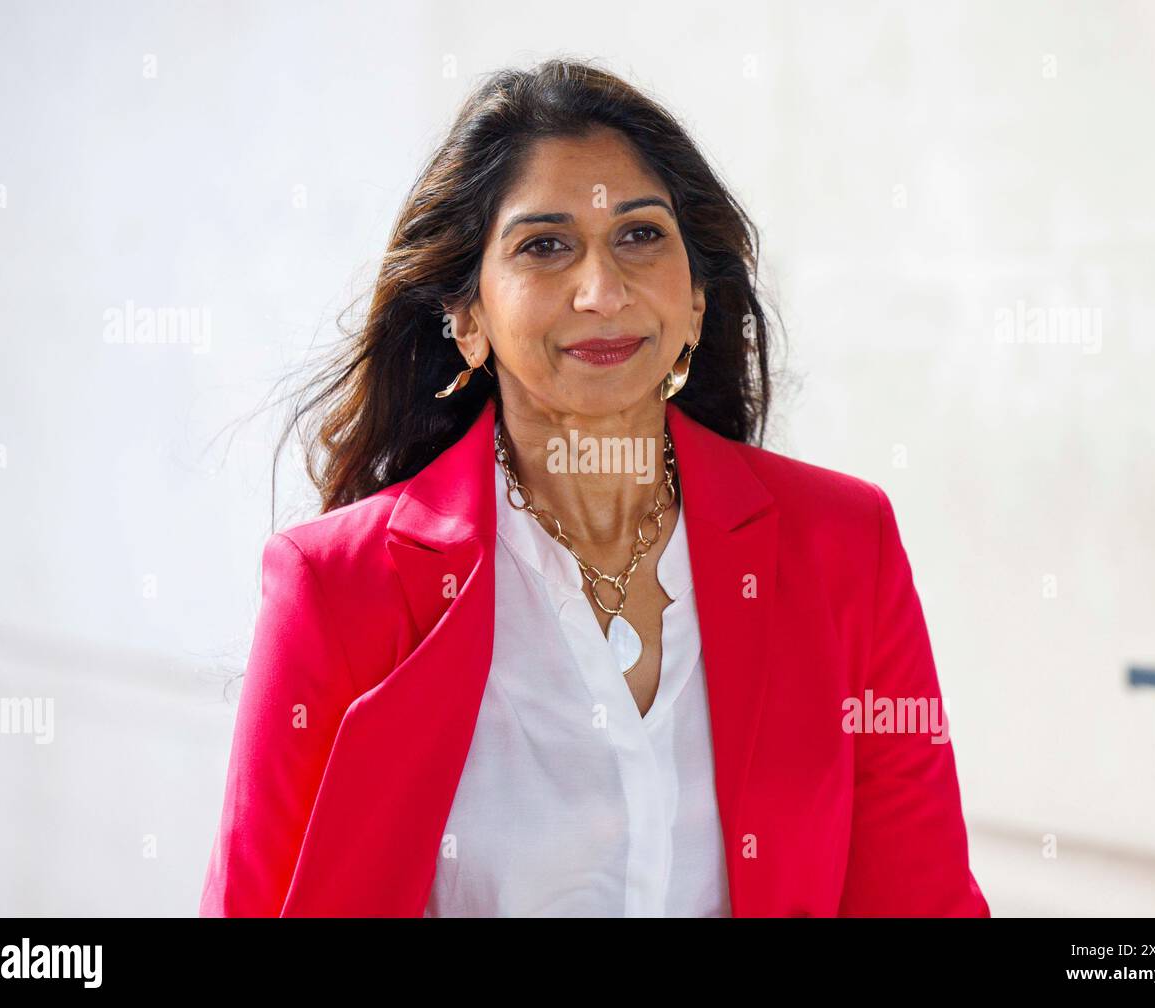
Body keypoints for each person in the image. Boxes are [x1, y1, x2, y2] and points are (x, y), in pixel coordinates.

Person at [198, 58, 990, 918]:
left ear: (694, 300)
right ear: (467, 317)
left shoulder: (843, 546)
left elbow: (923, 901)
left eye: (641, 236)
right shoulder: (337, 590)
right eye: (545, 246)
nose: (602, 291)